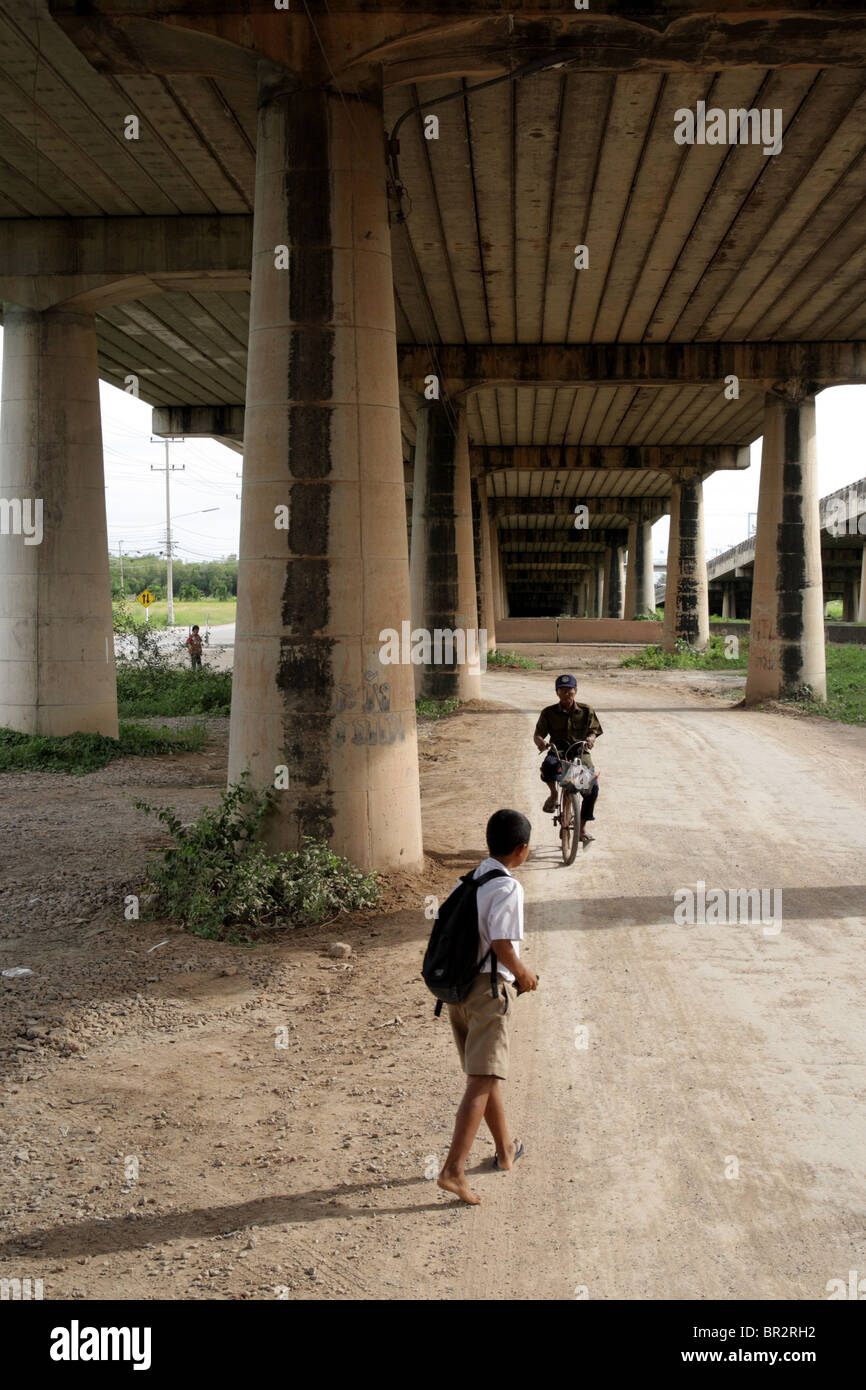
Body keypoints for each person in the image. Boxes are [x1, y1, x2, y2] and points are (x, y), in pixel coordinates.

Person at [438, 809, 538, 1206]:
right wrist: (524, 974)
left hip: (459, 991)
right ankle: (453, 1170)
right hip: (489, 992)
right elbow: (501, 943)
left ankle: (505, 1150)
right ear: (522, 849)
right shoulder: (508, 888)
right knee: (481, 1079)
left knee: (485, 1073)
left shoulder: (476, 876)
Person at [533, 673, 602, 847]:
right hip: (558, 751)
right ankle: (554, 794)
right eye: (562, 691)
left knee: (591, 788)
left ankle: (582, 828)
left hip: (579, 751)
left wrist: (591, 738)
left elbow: (594, 730)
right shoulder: (548, 712)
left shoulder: (586, 711)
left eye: (570, 690)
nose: (567, 694)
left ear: (576, 691)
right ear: (557, 693)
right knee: (548, 767)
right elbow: (538, 734)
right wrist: (540, 742)